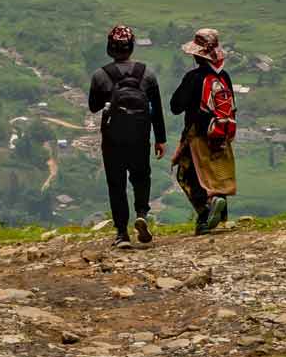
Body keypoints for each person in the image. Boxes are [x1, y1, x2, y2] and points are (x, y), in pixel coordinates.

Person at [87, 24, 166, 248]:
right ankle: (141, 212)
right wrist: (160, 139)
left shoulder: (100, 75)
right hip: (140, 137)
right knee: (141, 177)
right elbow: (156, 110)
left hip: (113, 140)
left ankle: (122, 233)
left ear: (110, 49)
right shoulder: (147, 74)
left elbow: (93, 107)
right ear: (131, 48)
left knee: (116, 183)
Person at [169, 27, 237, 235]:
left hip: (197, 134)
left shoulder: (194, 78)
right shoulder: (224, 76)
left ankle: (204, 214)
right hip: (221, 133)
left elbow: (175, 106)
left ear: (197, 55)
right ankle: (219, 209)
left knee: (187, 174)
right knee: (217, 172)